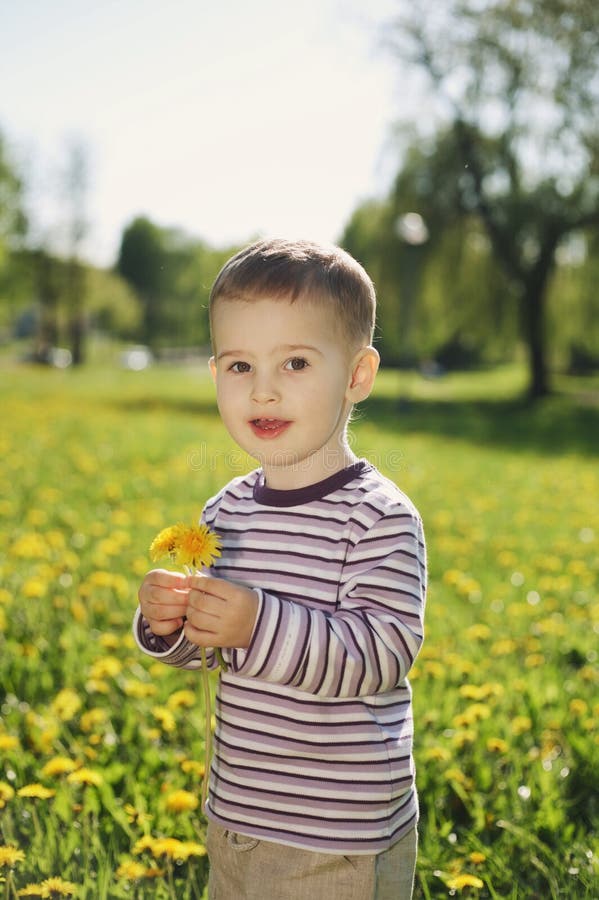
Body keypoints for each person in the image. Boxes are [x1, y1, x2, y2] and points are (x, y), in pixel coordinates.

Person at [134, 238, 427, 900]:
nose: (262, 389)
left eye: (295, 362)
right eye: (240, 365)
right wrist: (173, 625)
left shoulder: (377, 517)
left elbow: (382, 653)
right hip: (237, 814)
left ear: (356, 375)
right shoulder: (225, 510)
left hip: (339, 837)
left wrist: (256, 625)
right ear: (215, 374)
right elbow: (215, 652)